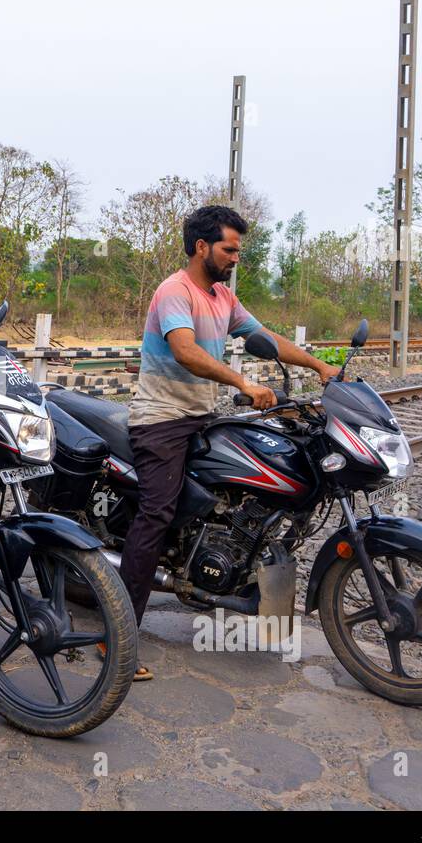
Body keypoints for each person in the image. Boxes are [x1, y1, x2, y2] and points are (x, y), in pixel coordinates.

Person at [119, 205, 337, 678]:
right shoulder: (174, 291)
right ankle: (116, 634)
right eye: (229, 248)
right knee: (156, 512)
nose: (236, 257)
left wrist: (320, 367)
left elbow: (266, 337)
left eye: (239, 249)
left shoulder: (221, 297)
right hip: (161, 419)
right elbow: (186, 350)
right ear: (202, 247)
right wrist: (242, 384)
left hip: (200, 416)